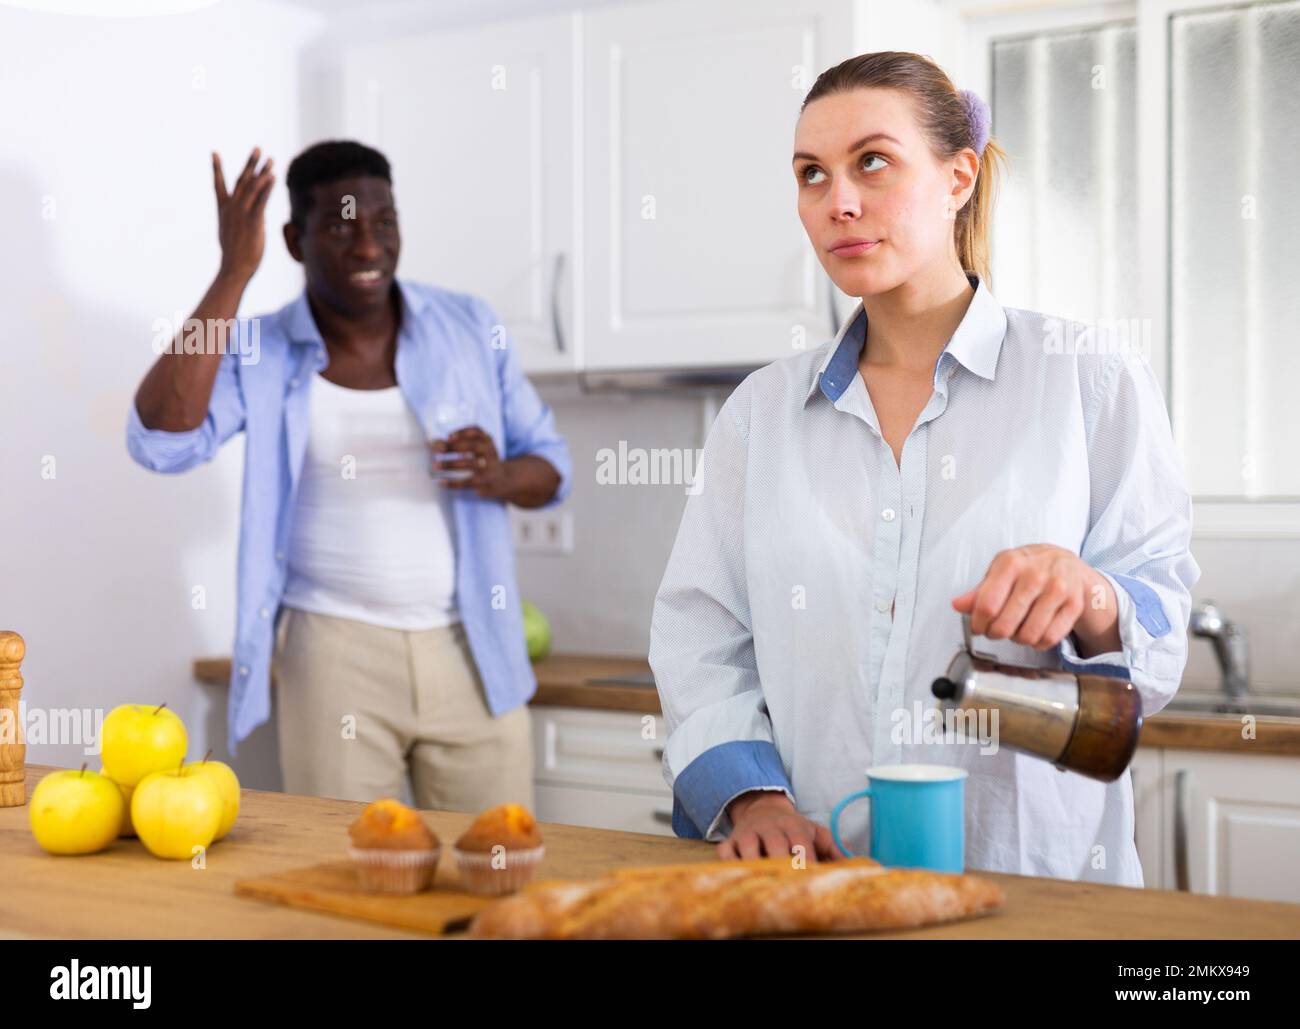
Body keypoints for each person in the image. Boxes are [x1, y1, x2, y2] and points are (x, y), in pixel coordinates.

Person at [649, 51, 1199, 886]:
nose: (838, 202)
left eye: (872, 161)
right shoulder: (761, 414)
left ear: (959, 176)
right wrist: (753, 799)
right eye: (811, 174)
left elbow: (1158, 624)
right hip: (821, 888)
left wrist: (1087, 592)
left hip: (1034, 885)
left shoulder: (1087, 375)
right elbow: (701, 636)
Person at [127, 141, 571, 812]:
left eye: (383, 222)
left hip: (475, 647)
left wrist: (502, 474)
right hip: (333, 654)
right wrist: (231, 274)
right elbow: (161, 440)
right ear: (293, 240)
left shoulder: (470, 327)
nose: (369, 246)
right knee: (343, 880)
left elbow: (553, 468)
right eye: (340, 225)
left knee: (497, 877)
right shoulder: (262, 347)